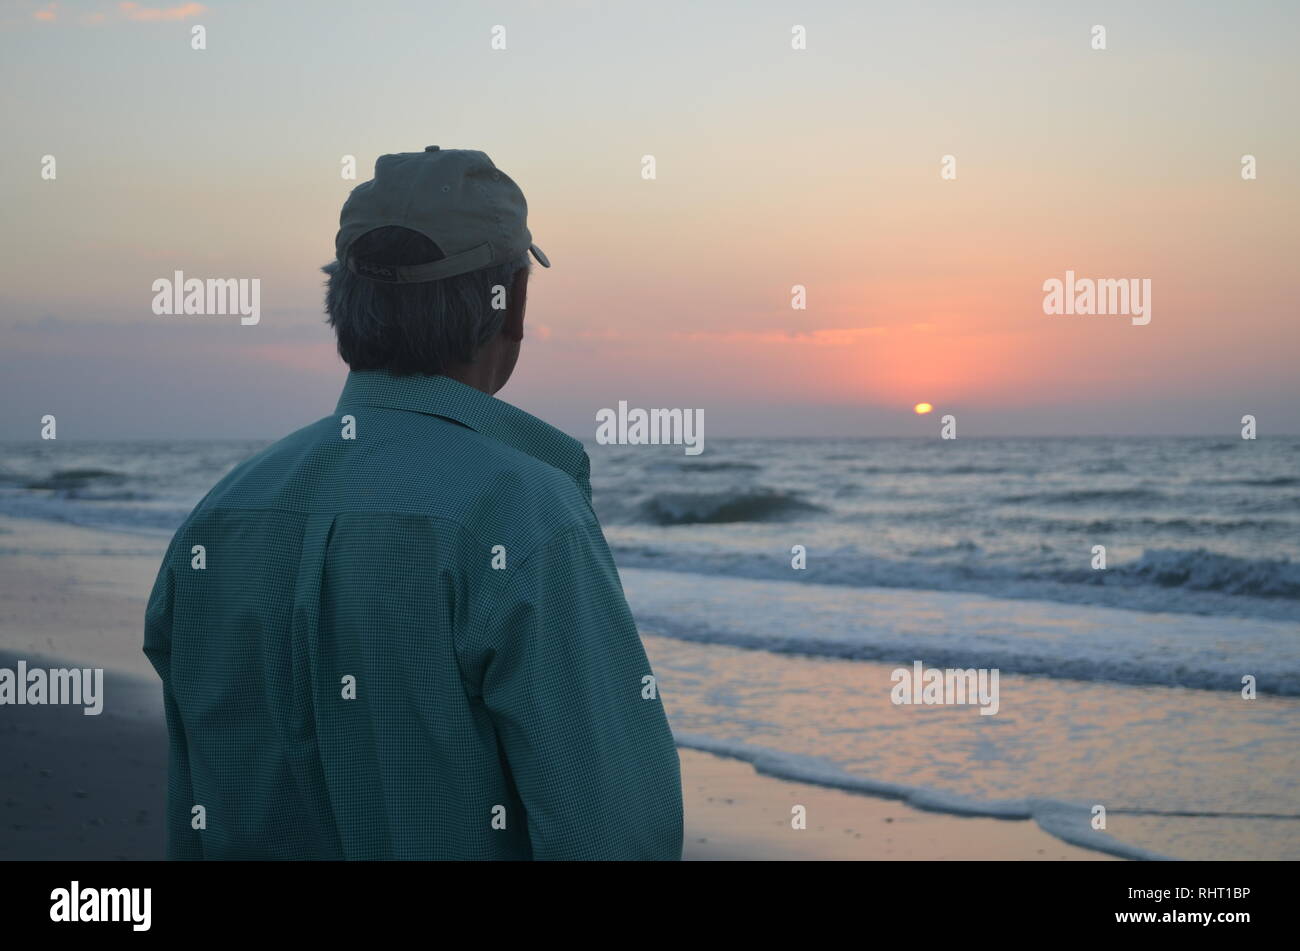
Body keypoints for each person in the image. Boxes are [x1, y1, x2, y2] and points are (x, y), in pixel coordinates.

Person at [143, 147, 683, 860]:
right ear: (514, 303)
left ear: (343, 303)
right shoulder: (525, 518)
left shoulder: (217, 520)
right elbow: (613, 834)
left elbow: (197, 807)